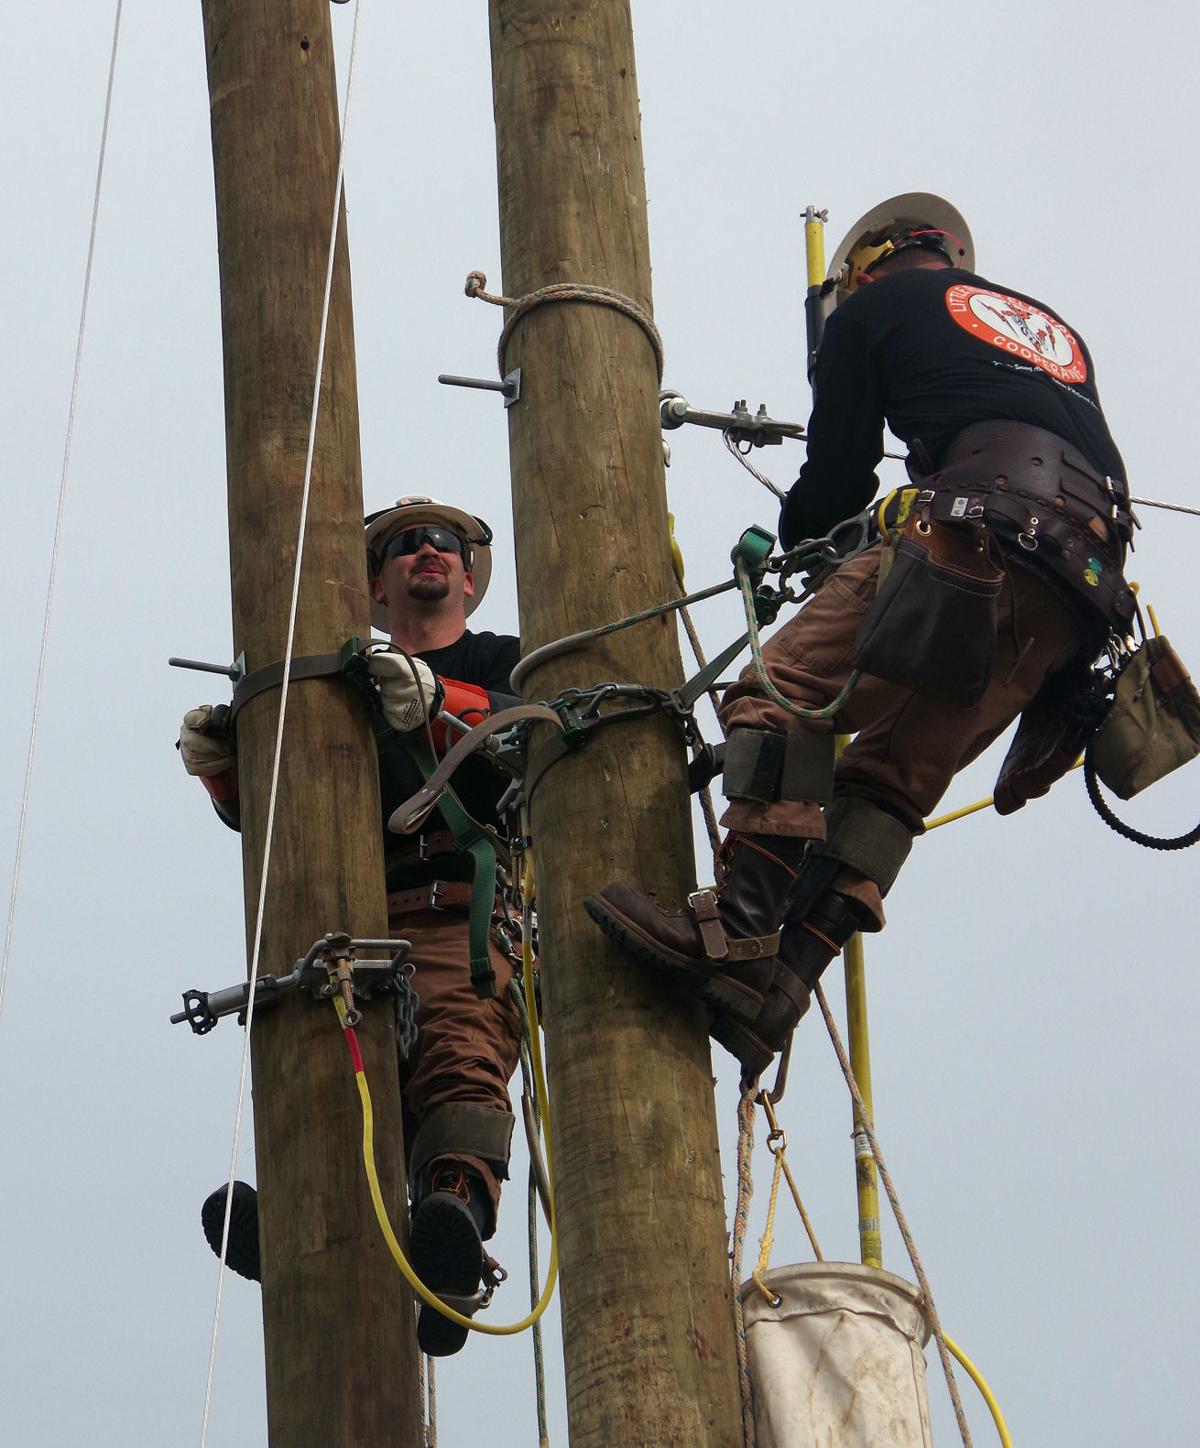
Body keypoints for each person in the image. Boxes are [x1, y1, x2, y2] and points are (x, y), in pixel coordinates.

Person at [586, 193, 1136, 1081]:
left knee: (782, 688)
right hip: (1081, 595)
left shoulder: (872, 309)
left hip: (975, 532)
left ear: (865, 269)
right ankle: (778, 991)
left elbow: (839, 471)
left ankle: (733, 933)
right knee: (886, 780)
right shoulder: (1051, 331)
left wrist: (804, 544)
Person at [180, 496, 524, 1356]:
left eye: (443, 543)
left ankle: (451, 1234)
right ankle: (307, 1225)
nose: (426, 553)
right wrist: (229, 769)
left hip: (455, 910)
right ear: (376, 585)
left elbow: (527, 741)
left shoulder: (502, 660)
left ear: (470, 577)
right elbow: (274, 813)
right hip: (339, 919)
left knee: (457, 1058)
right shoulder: (331, 690)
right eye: (405, 546)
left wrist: (441, 700)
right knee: (329, 1082)